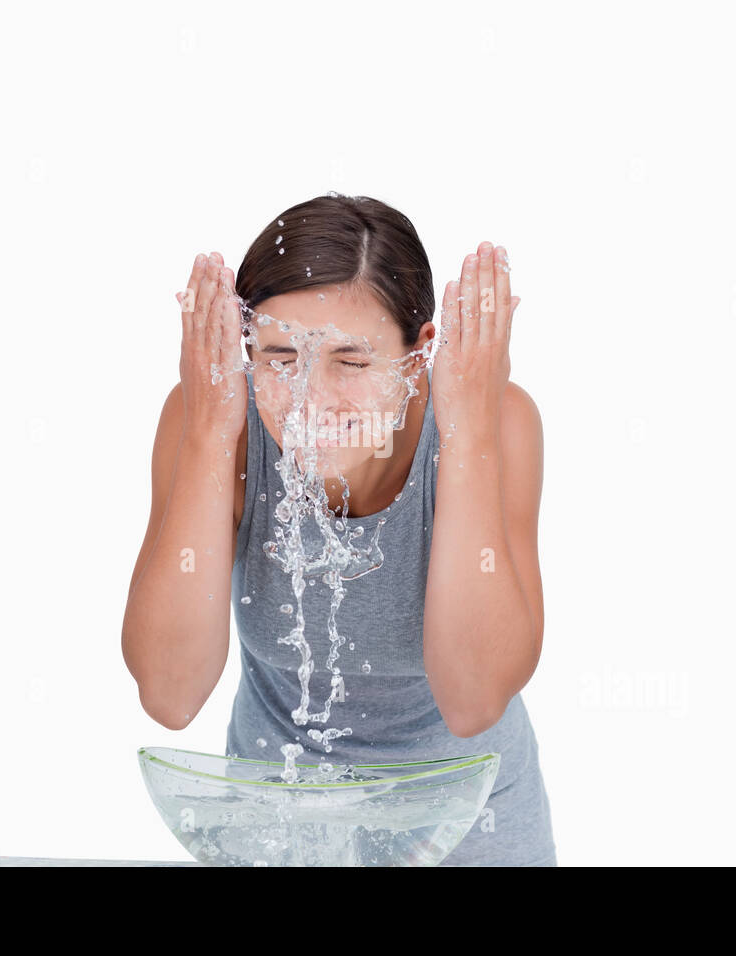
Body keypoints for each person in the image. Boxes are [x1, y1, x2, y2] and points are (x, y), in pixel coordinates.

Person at [122, 193, 556, 865]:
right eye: (277, 356)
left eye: (351, 362)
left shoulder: (490, 421)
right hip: (277, 833)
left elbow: (473, 699)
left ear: (421, 355)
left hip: (466, 830)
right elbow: (169, 693)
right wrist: (209, 434)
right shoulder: (215, 414)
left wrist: (468, 433)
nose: (309, 399)